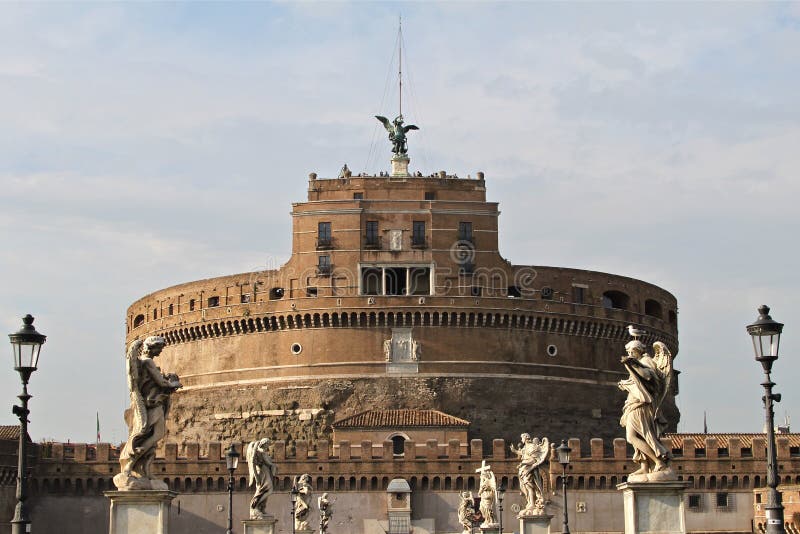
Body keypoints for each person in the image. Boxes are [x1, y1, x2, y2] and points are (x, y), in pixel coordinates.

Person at [115, 336, 181, 490]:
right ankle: (131, 460)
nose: (161, 351)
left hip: (154, 405)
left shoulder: (143, 362)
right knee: (155, 433)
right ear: (153, 347)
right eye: (159, 348)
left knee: (154, 435)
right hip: (152, 406)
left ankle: (143, 469)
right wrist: (174, 384)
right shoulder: (148, 362)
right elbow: (161, 382)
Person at [618, 339, 672, 478]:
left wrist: (634, 364)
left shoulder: (646, 360)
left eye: (632, 352)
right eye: (628, 352)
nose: (629, 354)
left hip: (641, 405)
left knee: (633, 436)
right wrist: (625, 383)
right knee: (639, 436)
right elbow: (636, 382)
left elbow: (648, 376)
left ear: (638, 351)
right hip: (634, 403)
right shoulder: (638, 362)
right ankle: (645, 465)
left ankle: (658, 461)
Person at [510, 434, 548, 514]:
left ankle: (532, 504)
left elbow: (533, 460)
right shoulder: (525, 448)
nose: (521, 440)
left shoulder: (532, 447)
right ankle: (530, 502)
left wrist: (523, 463)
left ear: (526, 438)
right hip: (524, 470)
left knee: (530, 487)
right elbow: (522, 453)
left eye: (522, 438)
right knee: (525, 487)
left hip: (530, 469)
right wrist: (514, 451)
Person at [247, 438, 277, 519]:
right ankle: (254, 506)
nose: (268, 446)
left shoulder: (262, 452)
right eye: (267, 444)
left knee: (265, 490)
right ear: (264, 443)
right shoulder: (260, 452)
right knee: (266, 490)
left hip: (265, 472)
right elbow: (256, 463)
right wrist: (256, 477)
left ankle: (261, 508)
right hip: (262, 472)